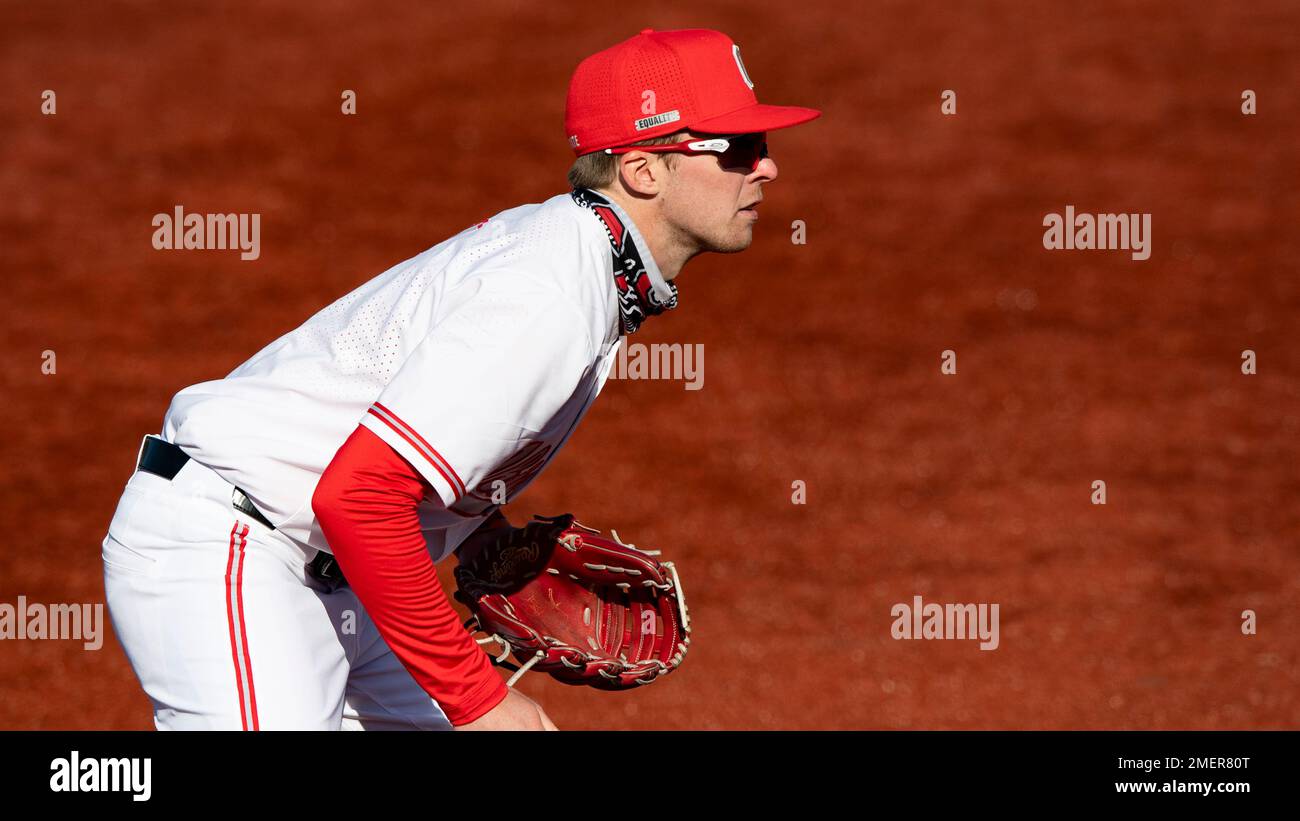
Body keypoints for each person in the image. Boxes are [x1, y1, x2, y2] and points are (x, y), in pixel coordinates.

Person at [101, 27, 820, 731]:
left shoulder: (586, 265)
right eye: (739, 148)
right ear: (643, 169)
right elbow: (360, 495)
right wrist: (479, 698)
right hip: (237, 551)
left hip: (332, 574)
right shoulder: (554, 295)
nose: (766, 168)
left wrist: (481, 541)